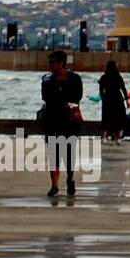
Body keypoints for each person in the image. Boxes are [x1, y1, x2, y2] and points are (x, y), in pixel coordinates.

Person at [40, 51, 83, 197]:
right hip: (52, 120)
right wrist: (62, 102)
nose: (50, 65)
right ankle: (54, 185)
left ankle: (70, 178)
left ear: (61, 63)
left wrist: (61, 102)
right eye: (49, 62)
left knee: (69, 153)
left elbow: (78, 97)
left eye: (53, 62)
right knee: (54, 153)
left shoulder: (75, 78)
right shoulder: (46, 80)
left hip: (70, 121)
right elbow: (45, 97)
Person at [98, 60, 128, 145]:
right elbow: (123, 89)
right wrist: (127, 99)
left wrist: (103, 98)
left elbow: (101, 90)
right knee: (118, 117)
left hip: (107, 98)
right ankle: (118, 138)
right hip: (117, 98)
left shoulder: (104, 77)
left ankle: (104, 137)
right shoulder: (118, 76)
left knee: (106, 118)